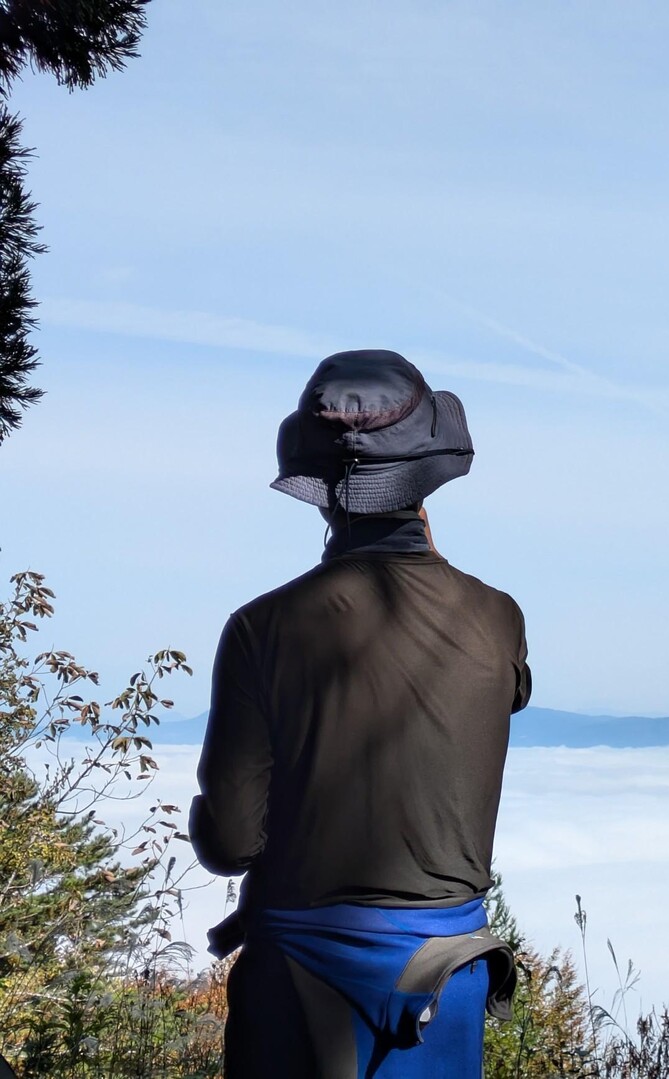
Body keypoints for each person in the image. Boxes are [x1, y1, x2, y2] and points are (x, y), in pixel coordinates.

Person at [189, 349, 531, 1078]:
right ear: (424, 482)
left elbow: (227, 843)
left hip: (299, 991)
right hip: (446, 983)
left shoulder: (262, 627)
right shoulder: (499, 618)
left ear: (324, 492)